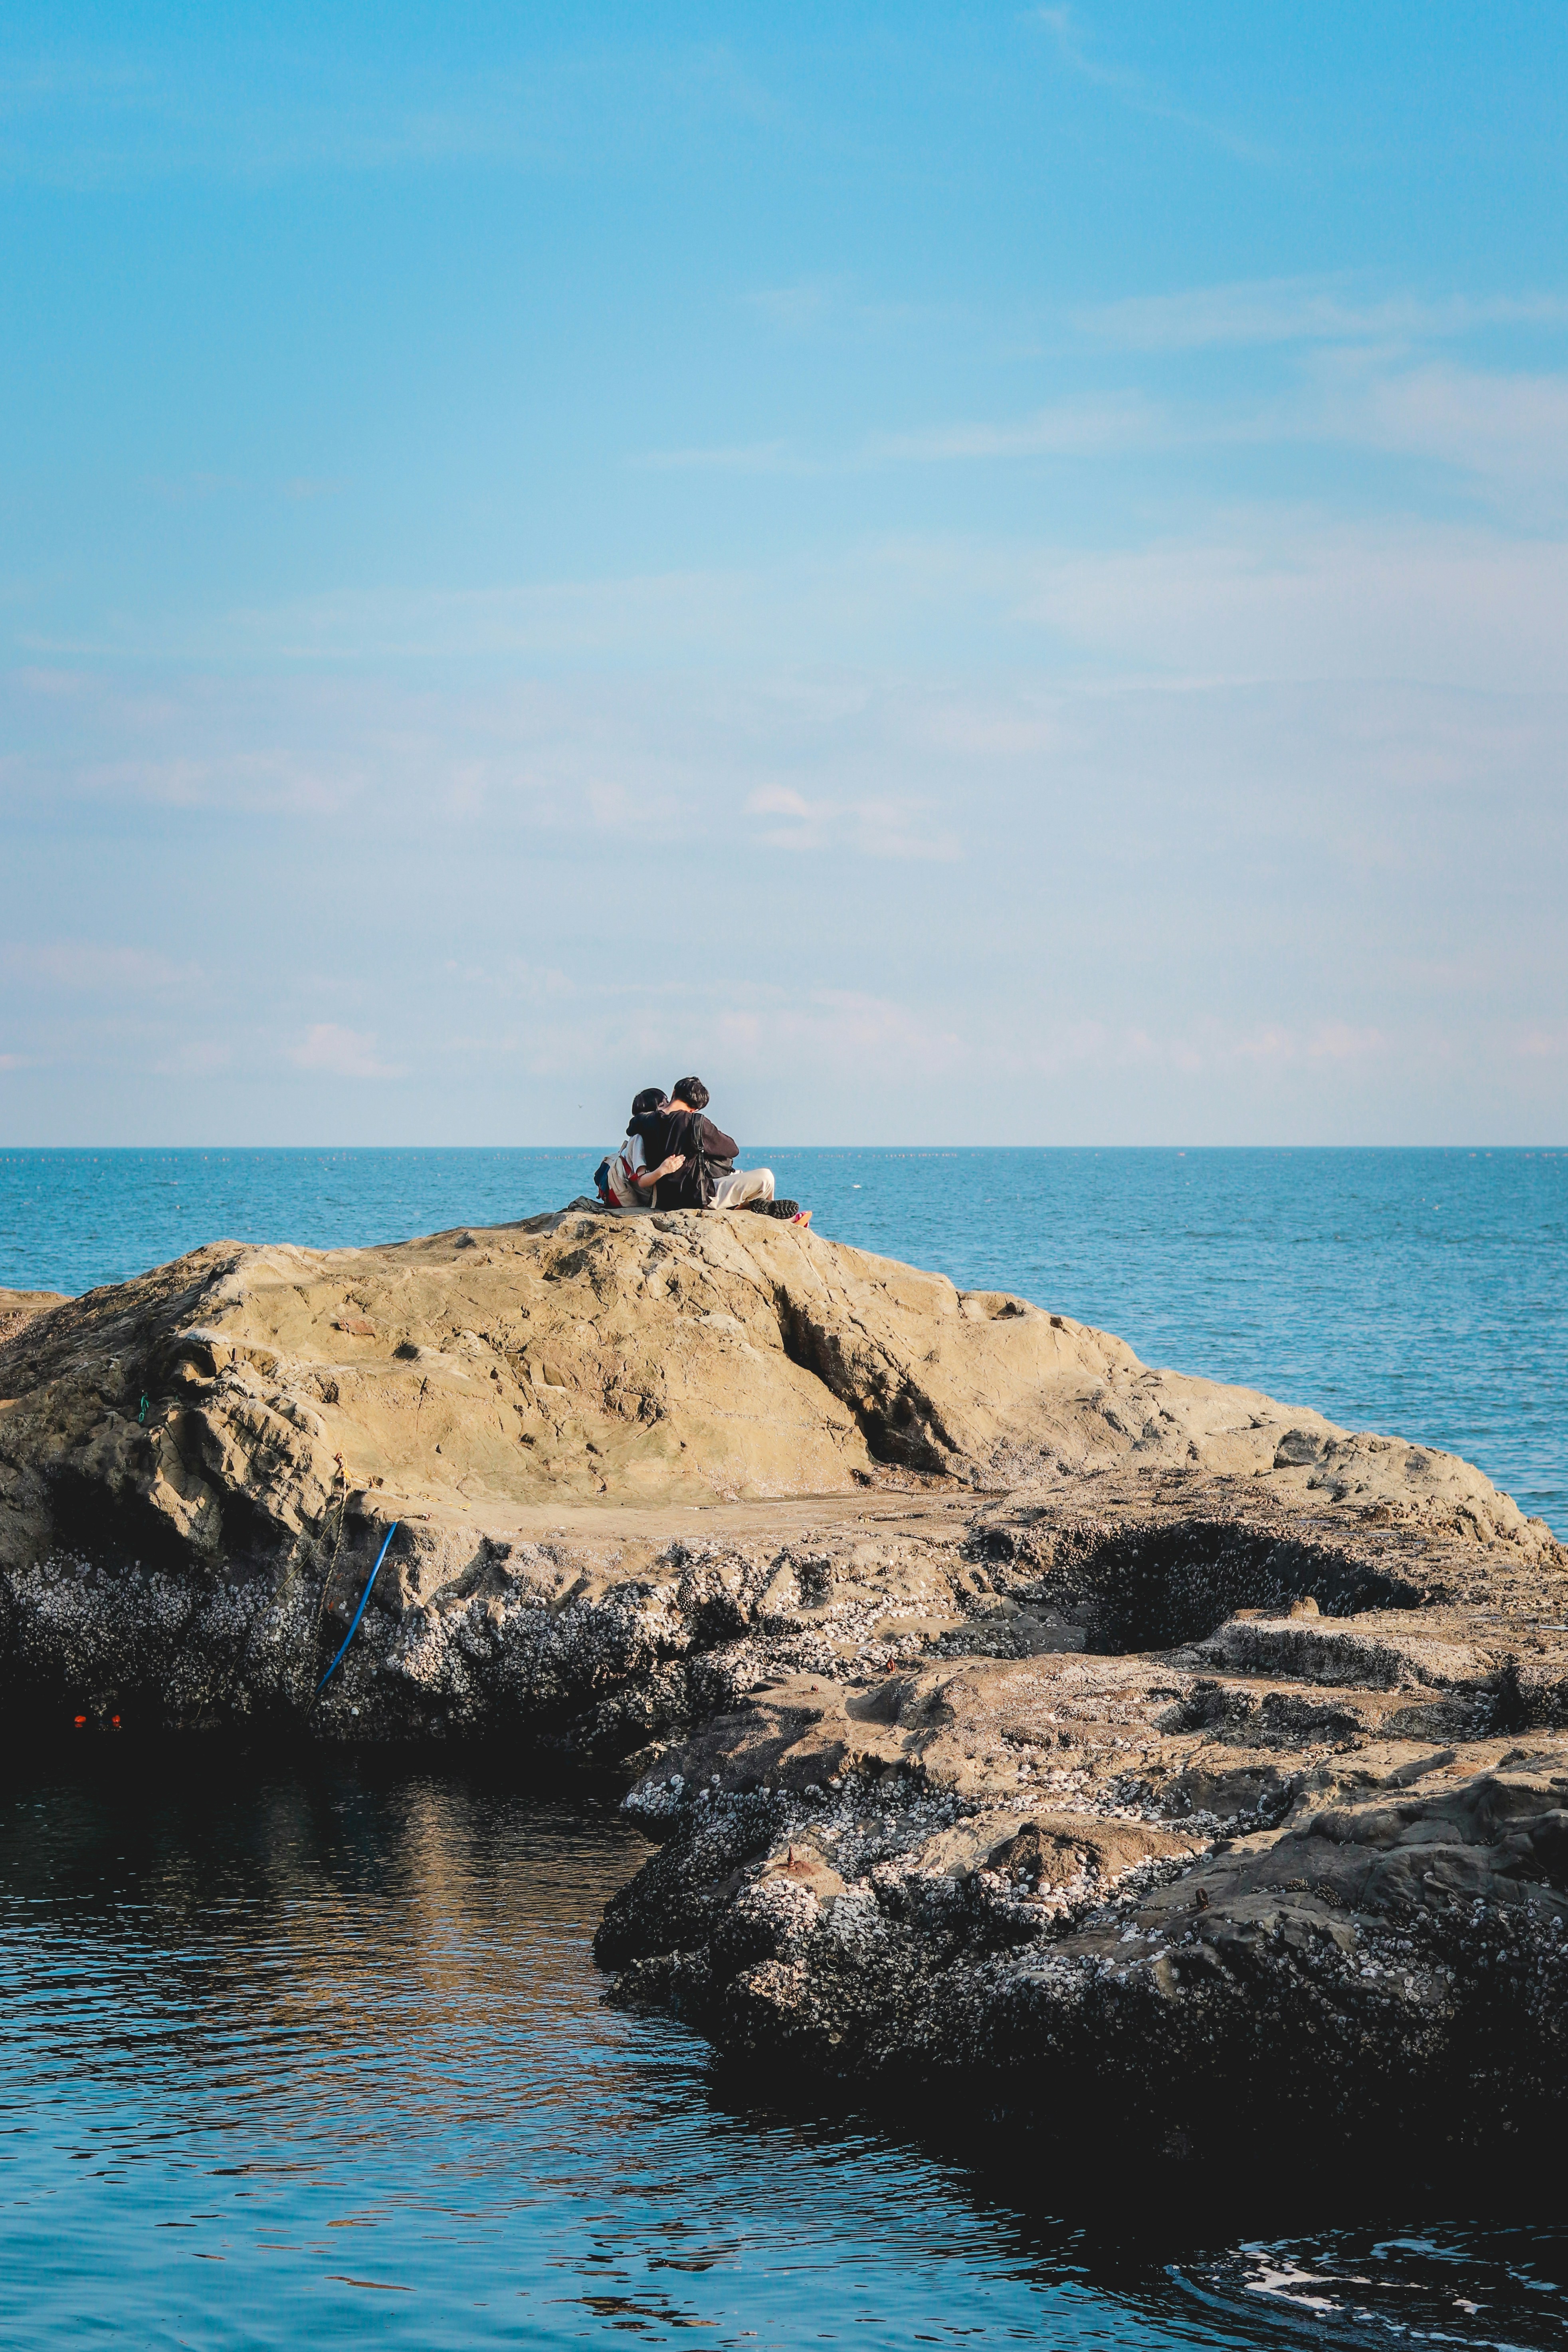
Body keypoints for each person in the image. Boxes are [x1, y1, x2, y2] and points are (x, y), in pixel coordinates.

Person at [648, 1077, 810, 1224]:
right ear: (695, 1109)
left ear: (674, 1092)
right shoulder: (694, 1123)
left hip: (664, 1198)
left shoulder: (646, 1121)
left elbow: (634, 1126)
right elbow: (732, 1149)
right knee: (766, 1178)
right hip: (698, 1197)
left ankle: (754, 1208)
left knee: (741, 1179)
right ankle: (770, 1217)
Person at [596, 1089, 686, 1211]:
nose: (668, 1108)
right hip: (646, 1196)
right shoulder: (639, 1139)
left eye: (667, 1103)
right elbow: (642, 1181)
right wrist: (663, 1170)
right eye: (662, 1105)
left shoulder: (656, 1135)